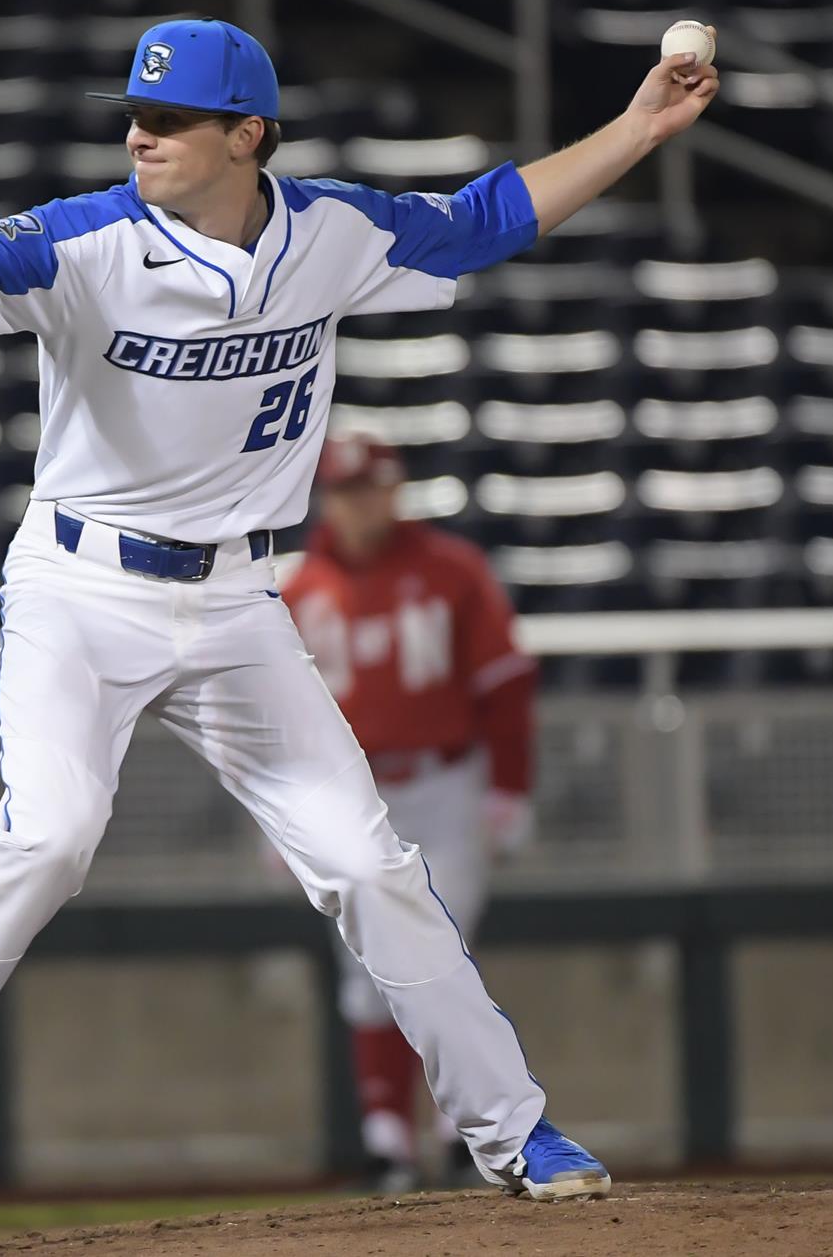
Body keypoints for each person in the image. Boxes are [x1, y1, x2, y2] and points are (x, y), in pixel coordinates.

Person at [0, 16, 717, 1201]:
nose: (139, 136)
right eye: (135, 114)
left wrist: (636, 127)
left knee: (369, 865)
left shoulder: (330, 233)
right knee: (51, 832)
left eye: (168, 119)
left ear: (246, 135)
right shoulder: (87, 241)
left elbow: (486, 221)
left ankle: (513, 1131)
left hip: (236, 600)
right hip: (80, 586)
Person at [282, 433, 537, 1192]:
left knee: (444, 948)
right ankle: (386, 1135)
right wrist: (281, 811)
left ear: (394, 490)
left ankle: (461, 1130)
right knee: (366, 961)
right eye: (347, 491)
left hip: (445, 779)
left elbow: (504, 682)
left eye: (371, 487)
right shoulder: (297, 587)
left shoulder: (451, 569)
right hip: (349, 793)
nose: (361, 504)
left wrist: (509, 786)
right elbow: (274, 721)